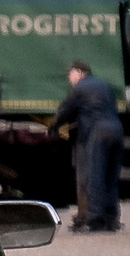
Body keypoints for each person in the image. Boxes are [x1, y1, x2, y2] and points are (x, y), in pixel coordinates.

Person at [52, 59, 123, 233]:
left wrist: (53, 126)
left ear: (79, 72)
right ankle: (111, 219)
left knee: (95, 176)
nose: (69, 78)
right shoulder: (105, 85)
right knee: (110, 176)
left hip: (97, 133)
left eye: (70, 74)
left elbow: (65, 110)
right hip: (116, 130)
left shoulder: (80, 88)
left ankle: (95, 219)